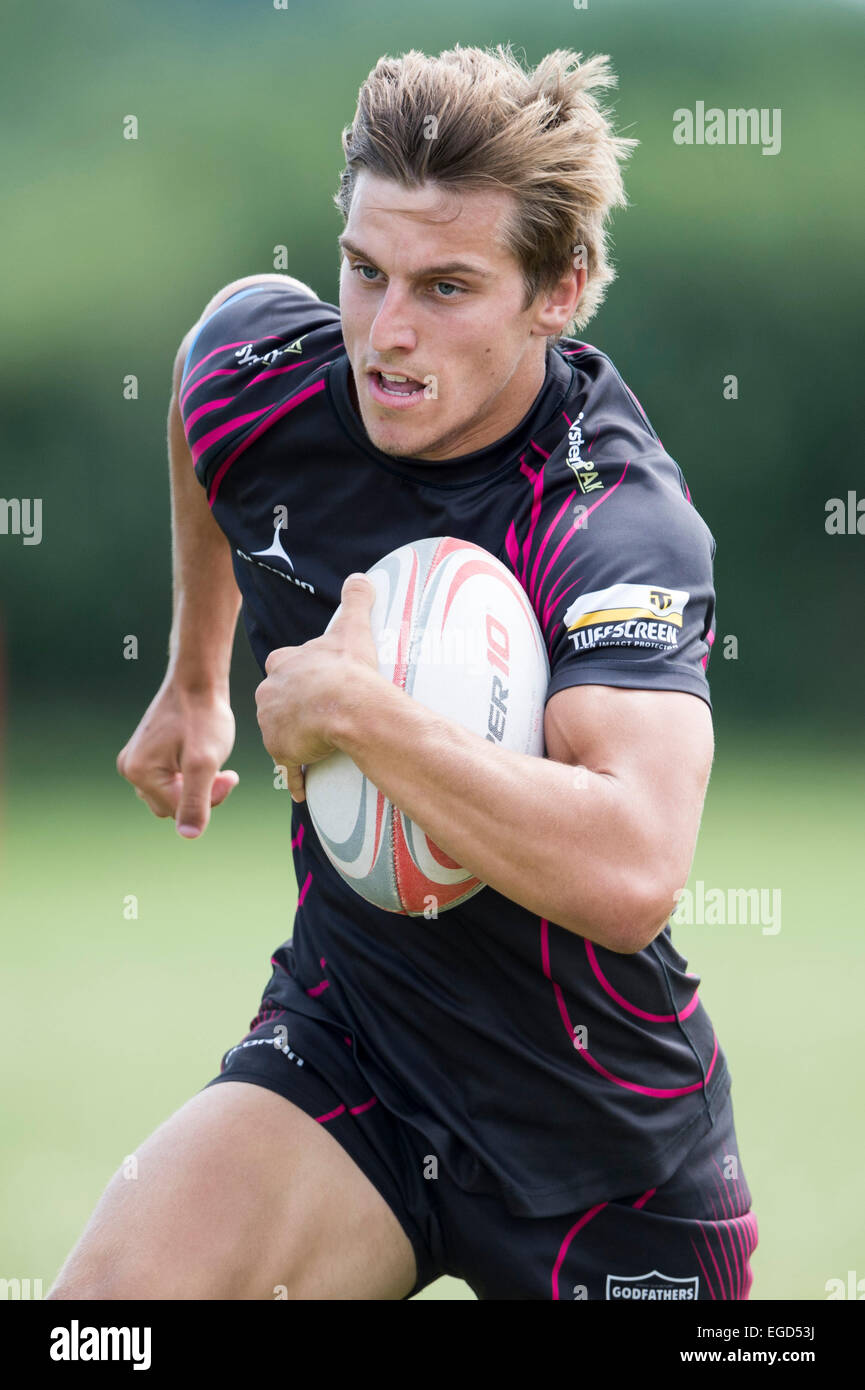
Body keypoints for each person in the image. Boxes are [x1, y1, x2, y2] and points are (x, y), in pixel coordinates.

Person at [48, 43, 757, 1301]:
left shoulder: (610, 524)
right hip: (352, 1049)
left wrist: (364, 719)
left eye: (445, 286)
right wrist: (195, 676)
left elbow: (634, 867)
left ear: (560, 288)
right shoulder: (265, 379)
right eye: (364, 272)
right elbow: (193, 396)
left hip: (599, 1141)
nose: (385, 332)